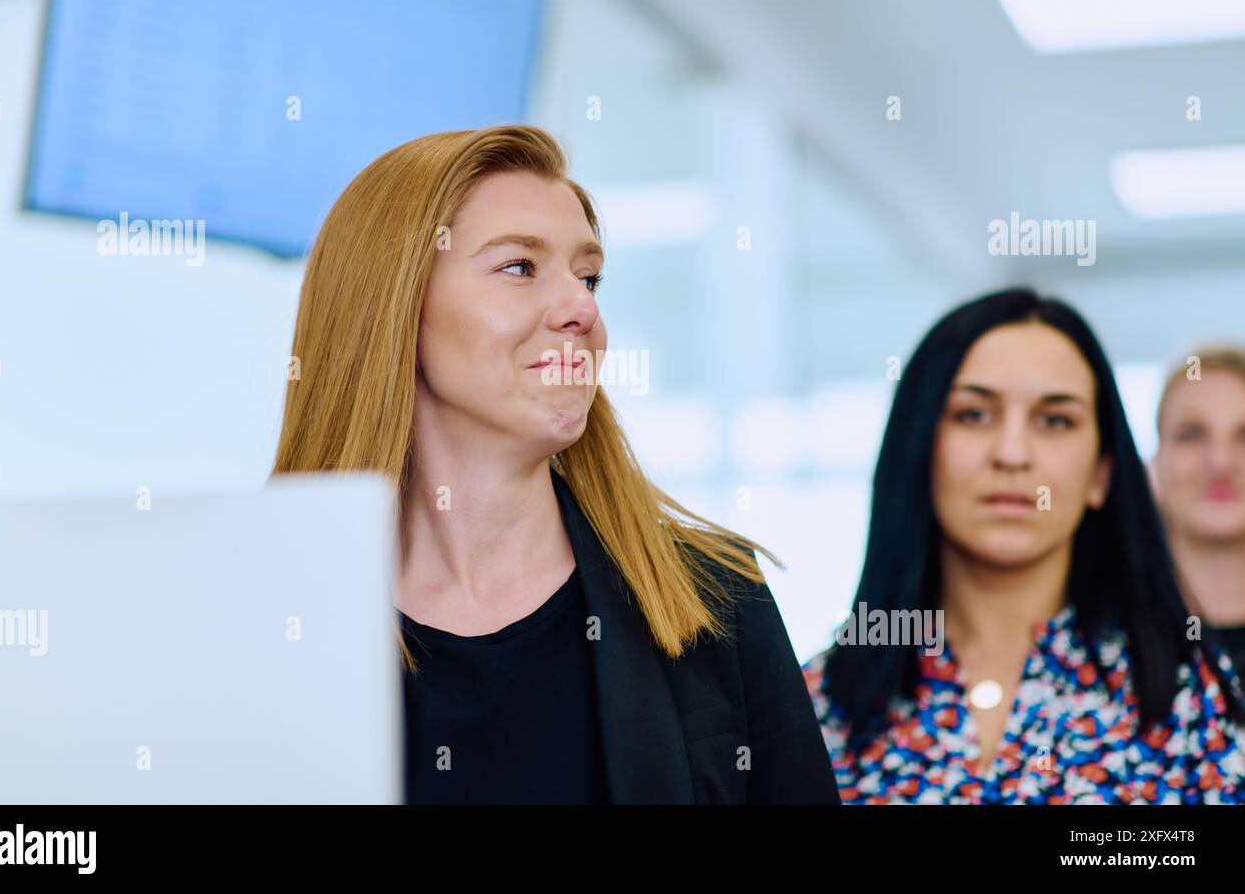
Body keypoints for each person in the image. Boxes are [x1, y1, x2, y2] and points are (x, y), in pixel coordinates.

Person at [271, 123, 838, 804]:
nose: (582, 308)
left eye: (589, 275)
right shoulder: (268, 620)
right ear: (393, 307)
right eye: (520, 267)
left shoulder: (717, 600)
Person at [803, 288, 1245, 803]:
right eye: (973, 414)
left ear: (1102, 473)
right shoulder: (815, 705)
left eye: (1055, 420)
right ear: (919, 448)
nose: (1012, 454)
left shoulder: (1190, 697)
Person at [1153, 346, 1245, 675]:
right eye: (1190, 435)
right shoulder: (1088, 645)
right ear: (1155, 466)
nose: (1220, 461)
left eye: (1244, 436)